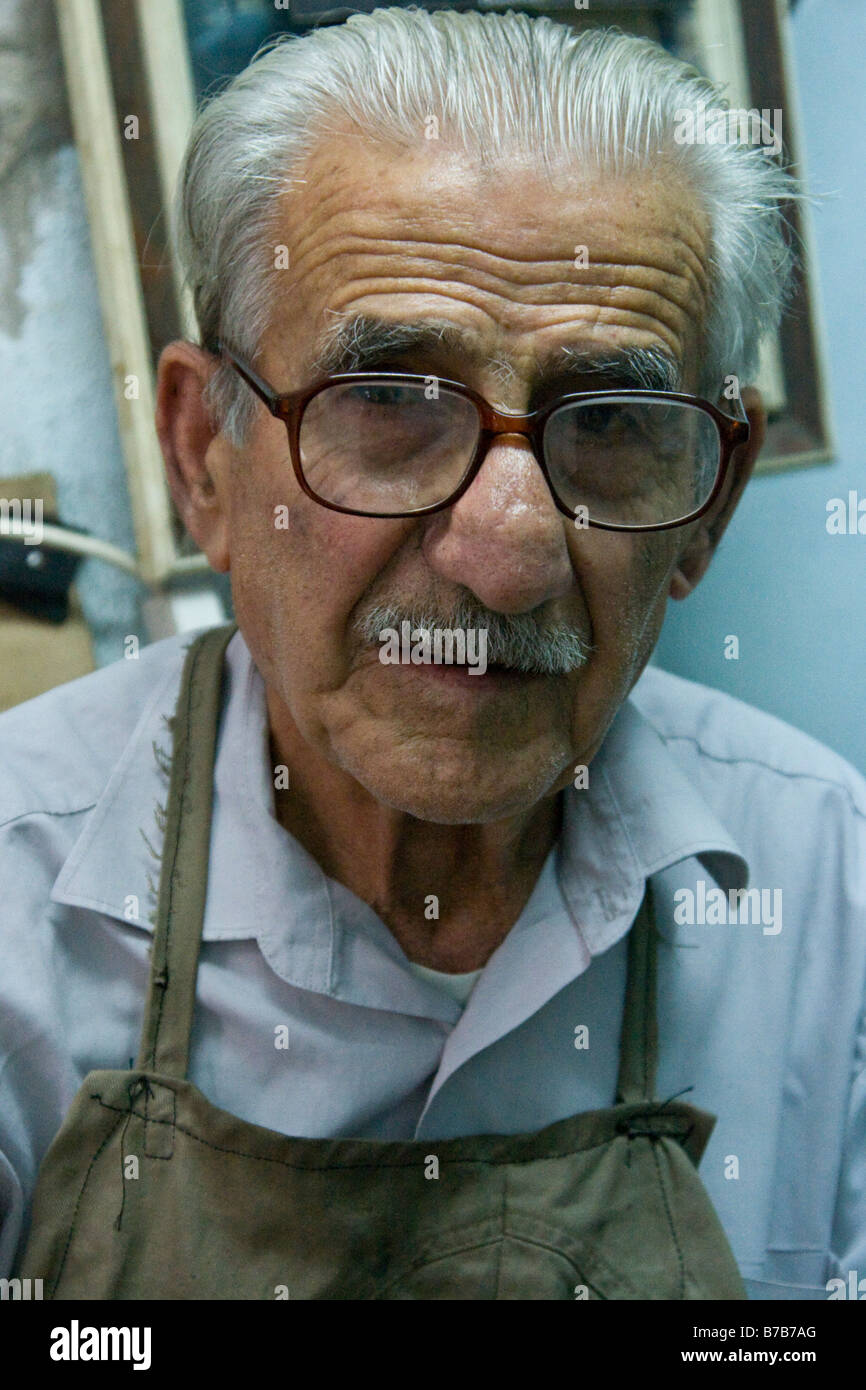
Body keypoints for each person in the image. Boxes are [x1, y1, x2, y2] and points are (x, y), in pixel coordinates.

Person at [1, 9, 863, 1301]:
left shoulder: (827, 897)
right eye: (387, 403)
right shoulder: (19, 887)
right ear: (203, 458)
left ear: (706, 503)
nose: (506, 550)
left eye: (611, 418)